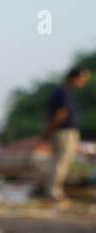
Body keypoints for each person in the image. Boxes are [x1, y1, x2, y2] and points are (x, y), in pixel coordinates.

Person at [41, 66, 90, 201]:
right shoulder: (63, 92)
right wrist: (50, 129)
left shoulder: (63, 91)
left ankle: (54, 191)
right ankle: (53, 192)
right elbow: (60, 113)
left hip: (62, 131)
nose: (83, 82)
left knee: (59, 161)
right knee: (61, 161)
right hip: (64, 132)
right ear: (74, 78)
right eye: (83, 78)